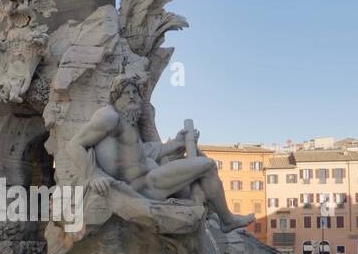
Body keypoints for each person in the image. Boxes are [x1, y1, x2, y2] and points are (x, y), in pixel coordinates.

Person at [69, 72, 255, 232]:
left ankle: (212, 217)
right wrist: (93, 176)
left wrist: (177, 143)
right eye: (126, 93)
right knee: (207, 165)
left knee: (193, 183)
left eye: (135, 92)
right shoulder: (108, 117)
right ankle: (227, 221)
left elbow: (145, 153)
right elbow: (74, 145)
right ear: (116, 96)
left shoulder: (128, 122)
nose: (132, 96)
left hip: (149, 180)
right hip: (143, 186)